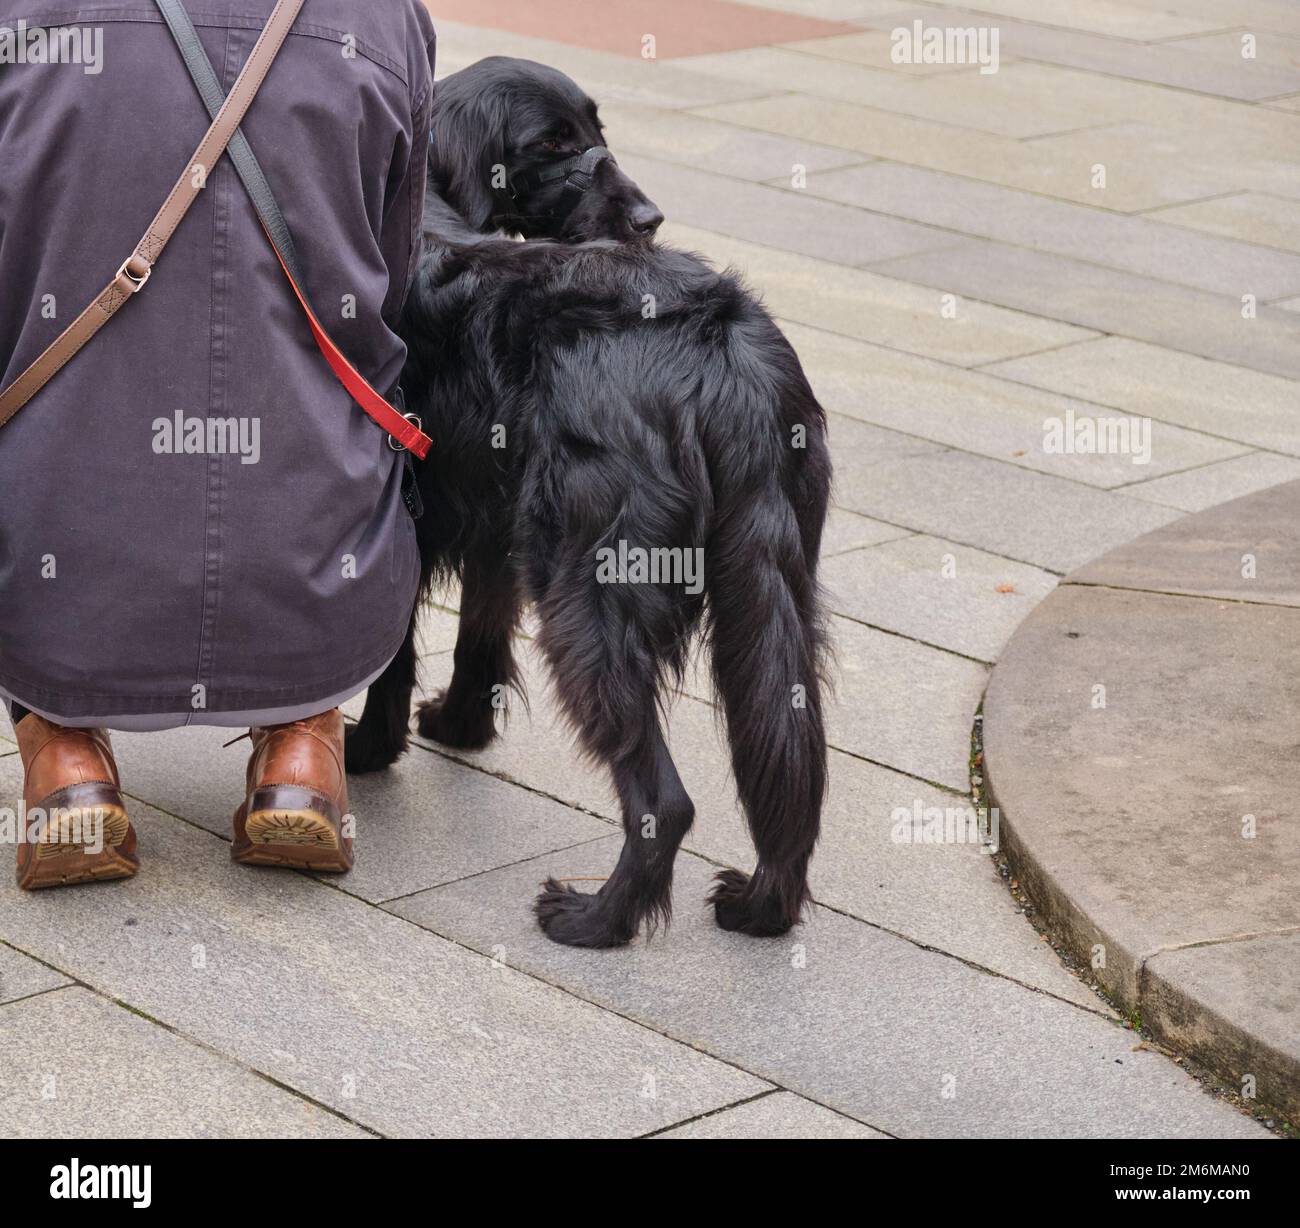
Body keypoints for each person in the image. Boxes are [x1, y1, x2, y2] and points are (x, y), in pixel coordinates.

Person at [0, 0, 436, 887]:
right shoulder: (385, 16)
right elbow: (391, 290)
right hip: (315, 565)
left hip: (55, 566)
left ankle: (67, 772)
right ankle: (301, 762)